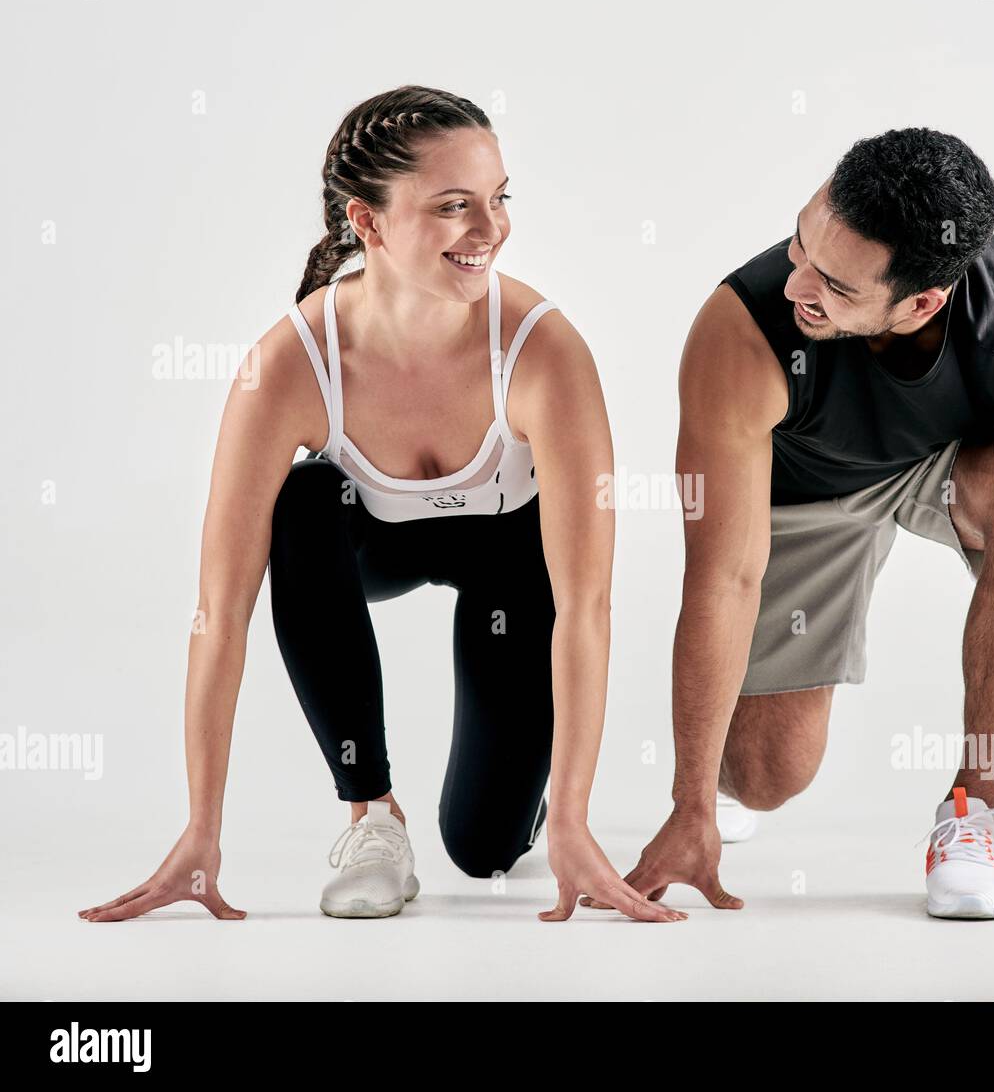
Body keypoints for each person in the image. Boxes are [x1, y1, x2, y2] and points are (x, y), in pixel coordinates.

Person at [79, 85, 682, 925]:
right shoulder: (290, 364)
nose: (490, 229)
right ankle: (372, 818)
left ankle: (529, 810)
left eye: (498, 198)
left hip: (511, 565)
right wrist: (201, 829)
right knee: (300, 505)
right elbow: (220, 611)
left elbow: (585, 603)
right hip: (364, 549)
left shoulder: (544, 350)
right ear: (367, 222)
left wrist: (575, 820)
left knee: (483, 847)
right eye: (453, 206)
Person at [597, 127, 994, 920]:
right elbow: (724, 575)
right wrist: (688, 805)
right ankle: (723, 789)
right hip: (801, 489)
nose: (797, 288)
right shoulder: (741, 332)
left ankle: (973, 816)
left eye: (835, 287)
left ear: (923, 301)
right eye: (800, 247)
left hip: (948, 460)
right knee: (767, 774)